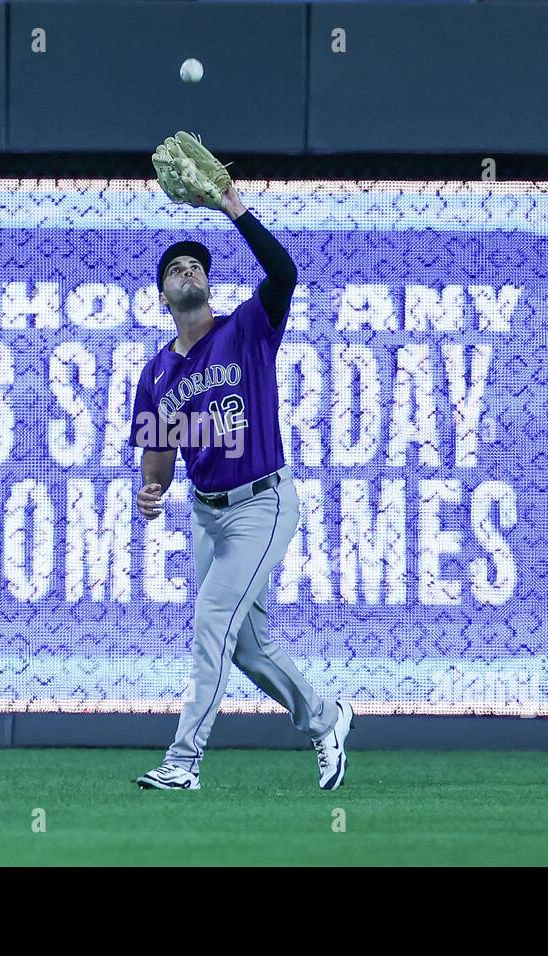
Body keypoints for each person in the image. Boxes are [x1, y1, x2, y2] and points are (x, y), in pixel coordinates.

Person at [129, 162, 354, 791]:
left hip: (264, 502)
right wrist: (152, 490)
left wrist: (233, 207)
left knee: (211, 619)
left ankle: (183, 761)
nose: (188, 271)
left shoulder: (246, 329)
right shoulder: (156, 375)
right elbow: (158, 459)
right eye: (175, 268)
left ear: (208, 281)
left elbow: (284, 273)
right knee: (248, 645)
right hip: (208, 514)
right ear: (162, 294)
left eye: (196, 265)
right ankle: (326, 716)